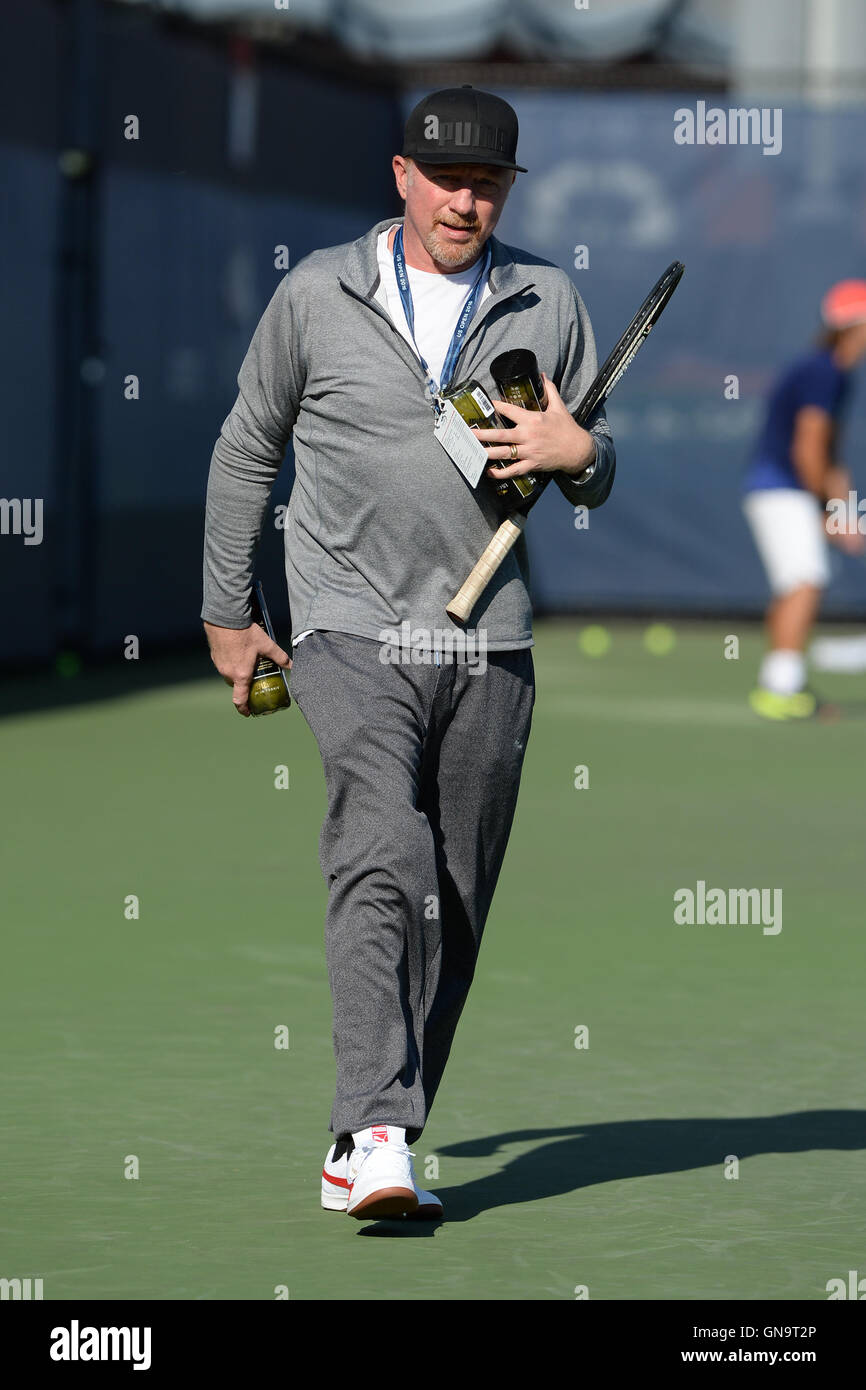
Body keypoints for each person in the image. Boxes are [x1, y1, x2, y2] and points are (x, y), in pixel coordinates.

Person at [201, 86, 616, 1220]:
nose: (463, 199)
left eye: (486, 182)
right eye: (444, 177)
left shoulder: (549, 297)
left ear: (507, 191)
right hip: (347, 621)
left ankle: (380, 1124)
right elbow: (247, 449)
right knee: (379, 839)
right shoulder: (315, 294)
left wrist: (578, 450)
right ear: (401, 176)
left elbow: (589, 471)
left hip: (490, 638)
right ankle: (373, 1125)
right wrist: (227, 610)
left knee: (455, 896)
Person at [742, 280, 866, 720]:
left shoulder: (835, 373)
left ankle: (780, 683)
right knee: (806, 581)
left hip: (780, 490)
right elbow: (808, 449)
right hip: (781, 489)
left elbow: (830, 456)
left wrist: (845, 510)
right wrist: (829, 510)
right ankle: (780, 688)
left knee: (795, 583)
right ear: (854, 325)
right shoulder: (824, 371)